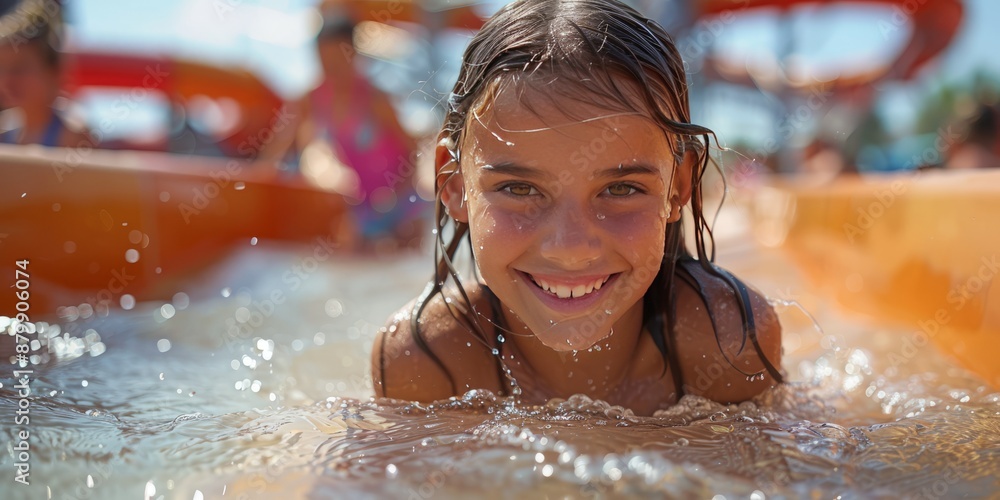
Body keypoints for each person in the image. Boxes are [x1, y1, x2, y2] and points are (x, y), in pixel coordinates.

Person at [371, 0, 783, 416]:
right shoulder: (428, 361)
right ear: (455, 185)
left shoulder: (726, 342)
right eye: (519, 188)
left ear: (678, 186)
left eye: (621, 189)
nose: (570, 248)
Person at [296, 16, 426, 252]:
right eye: (324, 61)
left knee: (406, 261)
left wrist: (397, 194)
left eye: (337, 60)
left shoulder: (376, 99)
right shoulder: (314, 98)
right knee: (348, 257)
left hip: (403, 200)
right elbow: (296, 145)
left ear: (353, 55)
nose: (331, 69)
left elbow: (413, 150)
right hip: (361, 203)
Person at [0, 11, 91, 147]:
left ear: (53, 73)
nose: (7, 79)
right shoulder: (4, 133)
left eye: (20, 68)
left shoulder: (71, 137)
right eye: (2, 68)